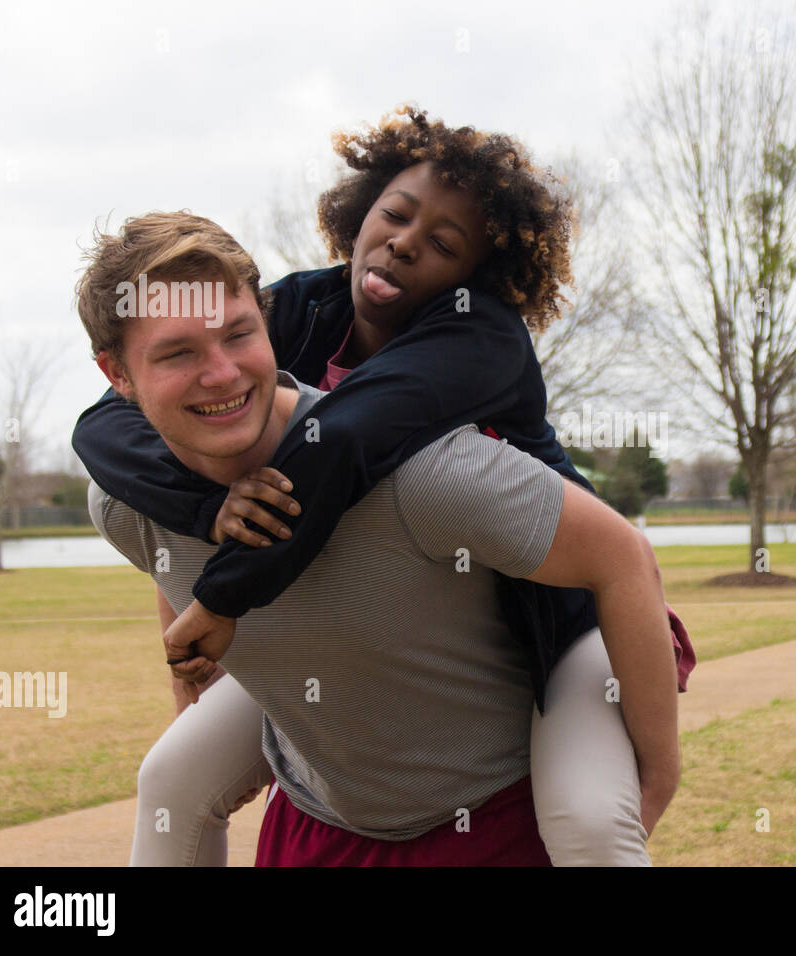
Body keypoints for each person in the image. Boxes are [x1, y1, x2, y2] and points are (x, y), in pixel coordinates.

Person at [73, 107, 694, 866]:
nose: (405, 242)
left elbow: (341, 441)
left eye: (442, 244)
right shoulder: (297, 307)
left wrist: (226, 591)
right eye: (396, 215)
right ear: (358, 210)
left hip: (552, 612)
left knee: (591, 823)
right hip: (371, 617)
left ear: (475, 277)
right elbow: (109, 432)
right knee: (171, 775)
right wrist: (206, 524)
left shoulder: (478, 343)